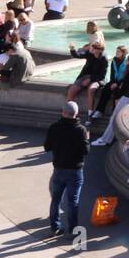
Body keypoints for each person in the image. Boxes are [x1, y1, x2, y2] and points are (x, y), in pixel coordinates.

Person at [44, 101, 89, 238]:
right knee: (72, 202)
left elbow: (47, 147)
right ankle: (73, 231)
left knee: (56, 200)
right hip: (75, 171)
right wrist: (86, 139)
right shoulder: (81, 130)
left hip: (58, 168)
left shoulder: (54, 127)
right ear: (76, 114)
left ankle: (55, 227)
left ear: (63, 113)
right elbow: (86, 151)